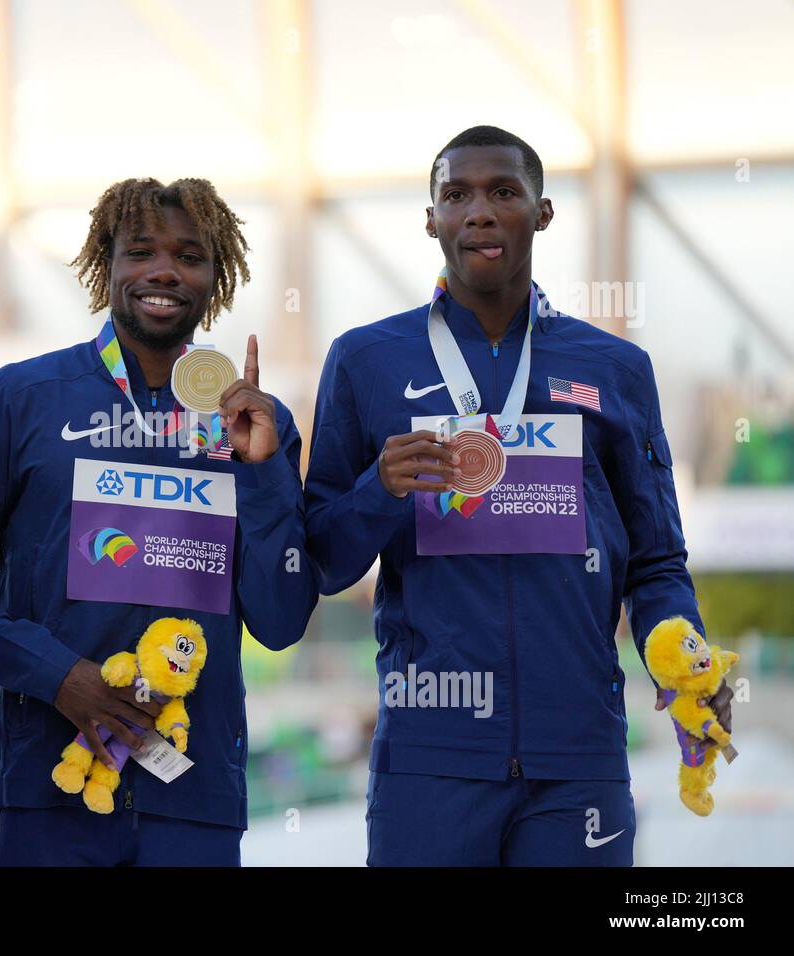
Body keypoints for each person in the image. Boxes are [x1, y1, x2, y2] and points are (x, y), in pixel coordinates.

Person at [303, 125, 731, 866]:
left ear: (542, 212)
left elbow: (657, 561)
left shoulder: (616, 367)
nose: (478, 211)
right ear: (431, 219)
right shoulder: (365, 361)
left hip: (579, 755)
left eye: (504, 191)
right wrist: (379, 491)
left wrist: (682, 656)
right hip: (429, 754)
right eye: (455, 195)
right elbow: (321, 562)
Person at [0, 177, 318, 866]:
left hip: (192, 798)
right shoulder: (21, 399)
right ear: (107, 265)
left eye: (190, 256)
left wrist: (264, 474)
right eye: (141, 251)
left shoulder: (255, 424)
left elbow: (279, 623)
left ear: (216, 277)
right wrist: (57, 675)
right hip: (44, 793)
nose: (165, 270)